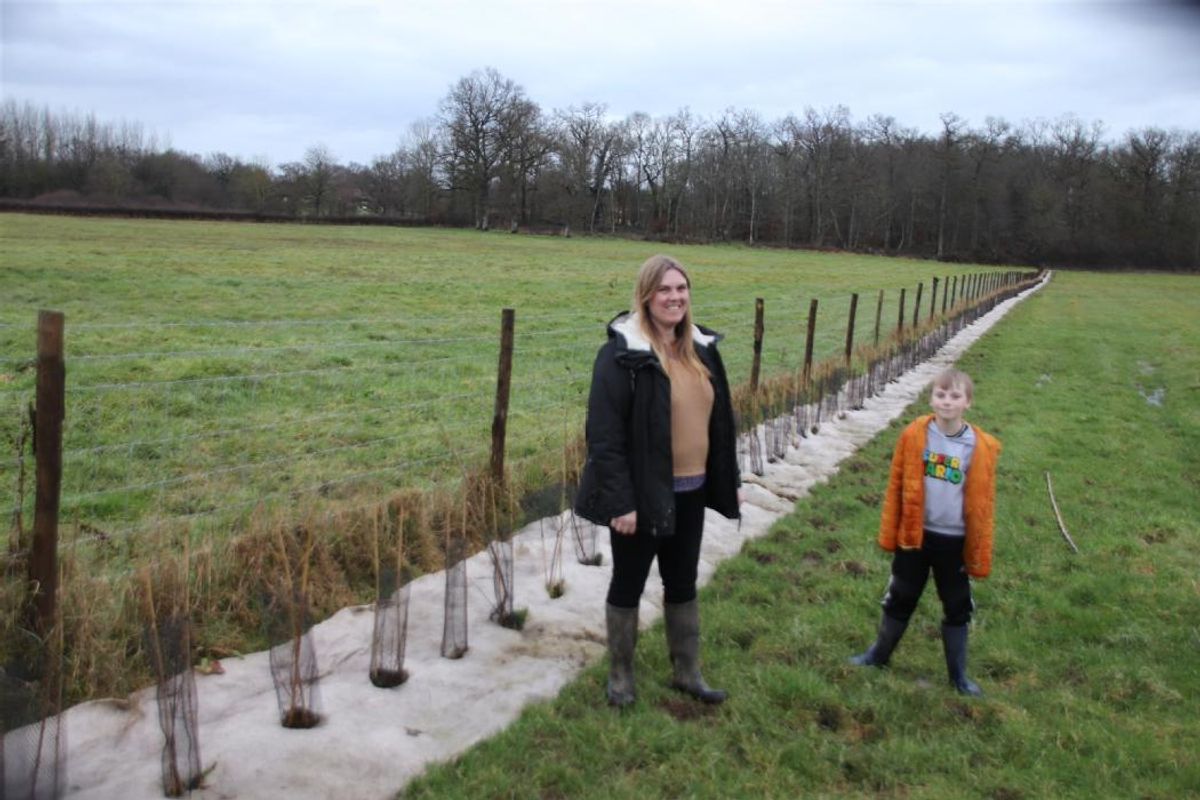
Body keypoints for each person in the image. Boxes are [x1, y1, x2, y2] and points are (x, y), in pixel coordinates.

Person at [575, 254, 742, 708]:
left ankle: (687, 672)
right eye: (664, 290)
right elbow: (605, 437)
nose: (674, 298)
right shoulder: (622, 355)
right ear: (647, 296)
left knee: (682, 581)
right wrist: (620, 503)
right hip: (642, 497)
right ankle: (621, 676)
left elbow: (720, 422)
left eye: (681, 289)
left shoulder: (702, 349)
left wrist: (728, 477)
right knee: (629, 583)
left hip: (691, 491)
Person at [849, 368, 1002, 696]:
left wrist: (976, 547)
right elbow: (896, 485)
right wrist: (891, 530)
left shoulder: (980, 447)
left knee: (957, 604)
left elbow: (983, 504)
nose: (947, 402)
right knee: (901, 595)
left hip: (954, 541)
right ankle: (878, 655)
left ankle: (958, 676)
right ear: (931, 398)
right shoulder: (915, 435)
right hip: (915, 536)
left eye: (955, 396)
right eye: (941, 395)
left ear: (968, 403)